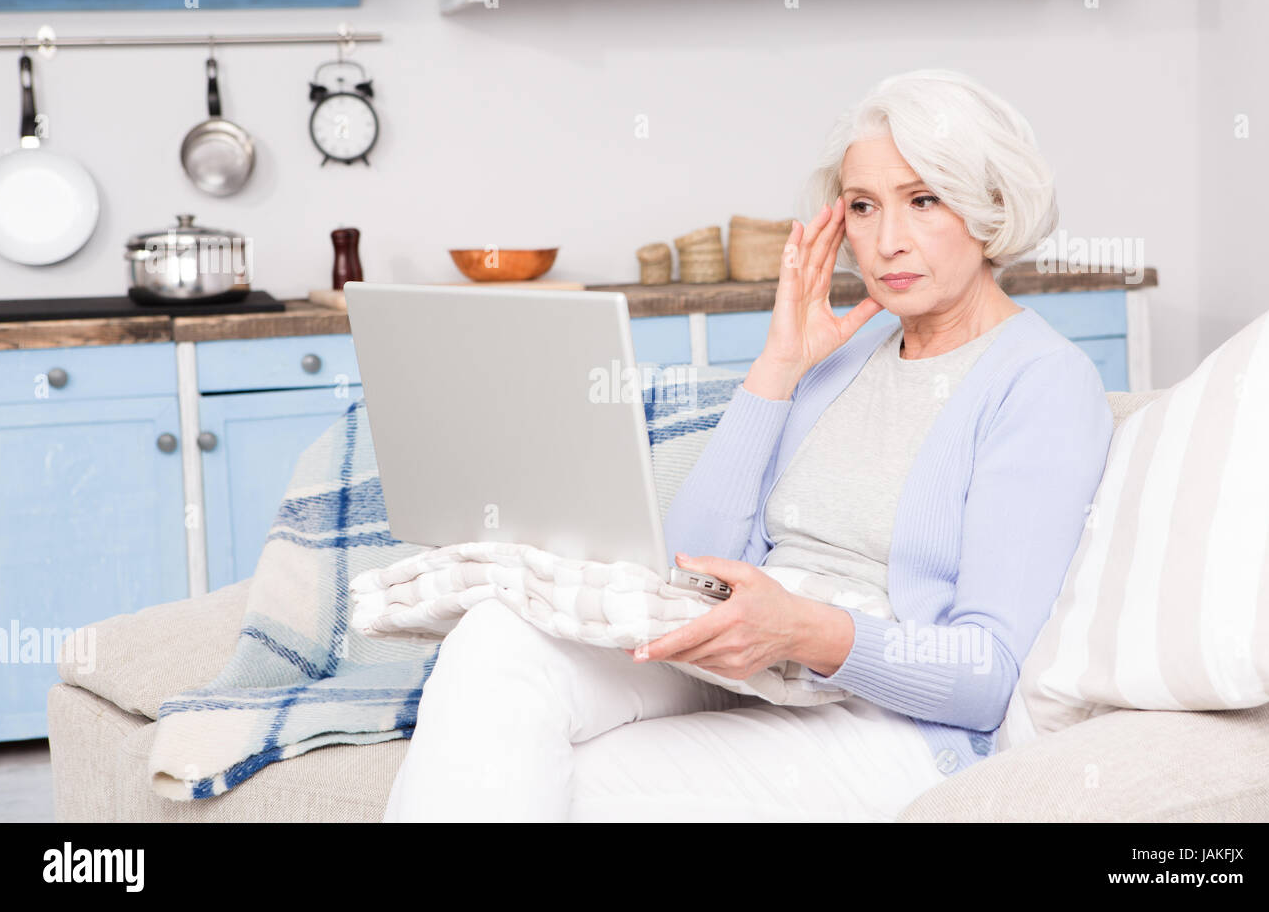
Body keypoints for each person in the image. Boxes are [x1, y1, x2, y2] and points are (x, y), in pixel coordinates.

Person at [382, 69, 1114, 822]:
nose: (887, 240)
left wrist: (803, 628)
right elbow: (691, 565)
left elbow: (986, 676)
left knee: (551, 781)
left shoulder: (1042, 381)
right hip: (755, 667)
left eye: (923, 200)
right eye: (863, 206)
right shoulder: (840, 360)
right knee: (496, 636)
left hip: (888, 720)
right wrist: (778, 367)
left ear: (993, 209)